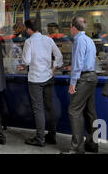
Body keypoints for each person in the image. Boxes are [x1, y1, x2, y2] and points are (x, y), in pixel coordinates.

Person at [22, 19, 63, 147]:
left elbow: (26, 61)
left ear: (29, 30)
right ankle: (52, 135)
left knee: (38, 109)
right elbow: (59, 56)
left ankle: (40, 138)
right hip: (48, 77)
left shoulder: (29, 42)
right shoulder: (48, 39)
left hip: (35, 79)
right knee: (50, 107)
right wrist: (54, 67)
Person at [62, 17, 98, 154]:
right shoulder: (89, 39)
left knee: (74, 111)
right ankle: (93, 144)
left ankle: (77, 148)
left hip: (83, 79)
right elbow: (87, 60)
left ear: (74, 27)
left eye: (70, 27)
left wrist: (73, 83)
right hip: (92, 77)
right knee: (90, 112)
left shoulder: (79, 40)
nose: (70, 29)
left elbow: (78, 64)